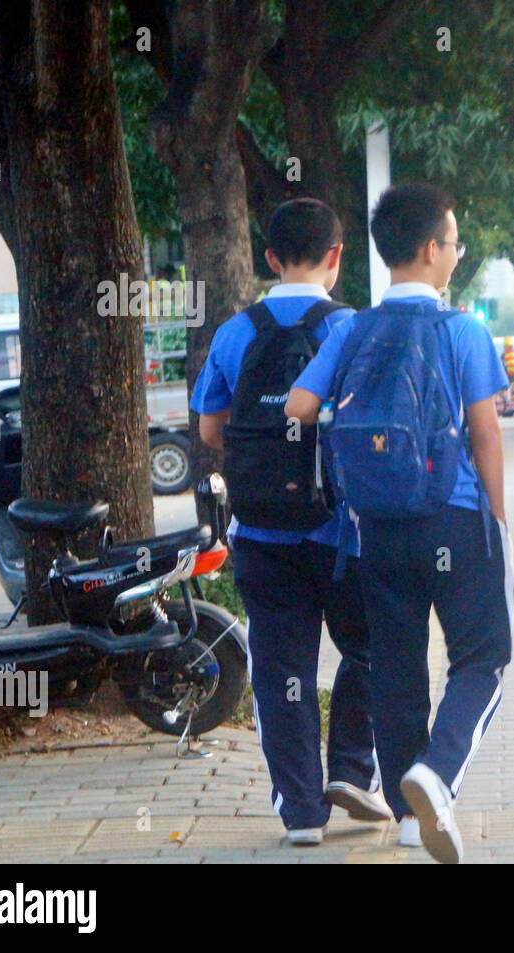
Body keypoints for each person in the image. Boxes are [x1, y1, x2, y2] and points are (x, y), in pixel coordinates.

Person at [286, 183, 512, 865]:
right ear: (430, 249)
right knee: (484, 656)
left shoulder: (353, 327)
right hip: (454, 513)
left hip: (376, 524)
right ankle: (436, 774)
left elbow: (299, 404)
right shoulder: (462, 329)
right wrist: (498, 521)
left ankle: (411, 818)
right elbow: (486, 435)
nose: (456, 252)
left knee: (396, 665)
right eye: (453, 241)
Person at [190, 198, 388, 847]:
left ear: (270, 257)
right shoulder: (351, 328)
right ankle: (355, 768)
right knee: (370, 646)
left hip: (262, 532)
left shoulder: (233, 332)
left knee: (282, 667)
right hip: (343, 533)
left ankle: (302, 811)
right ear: (336, 257)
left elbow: (211, 428)